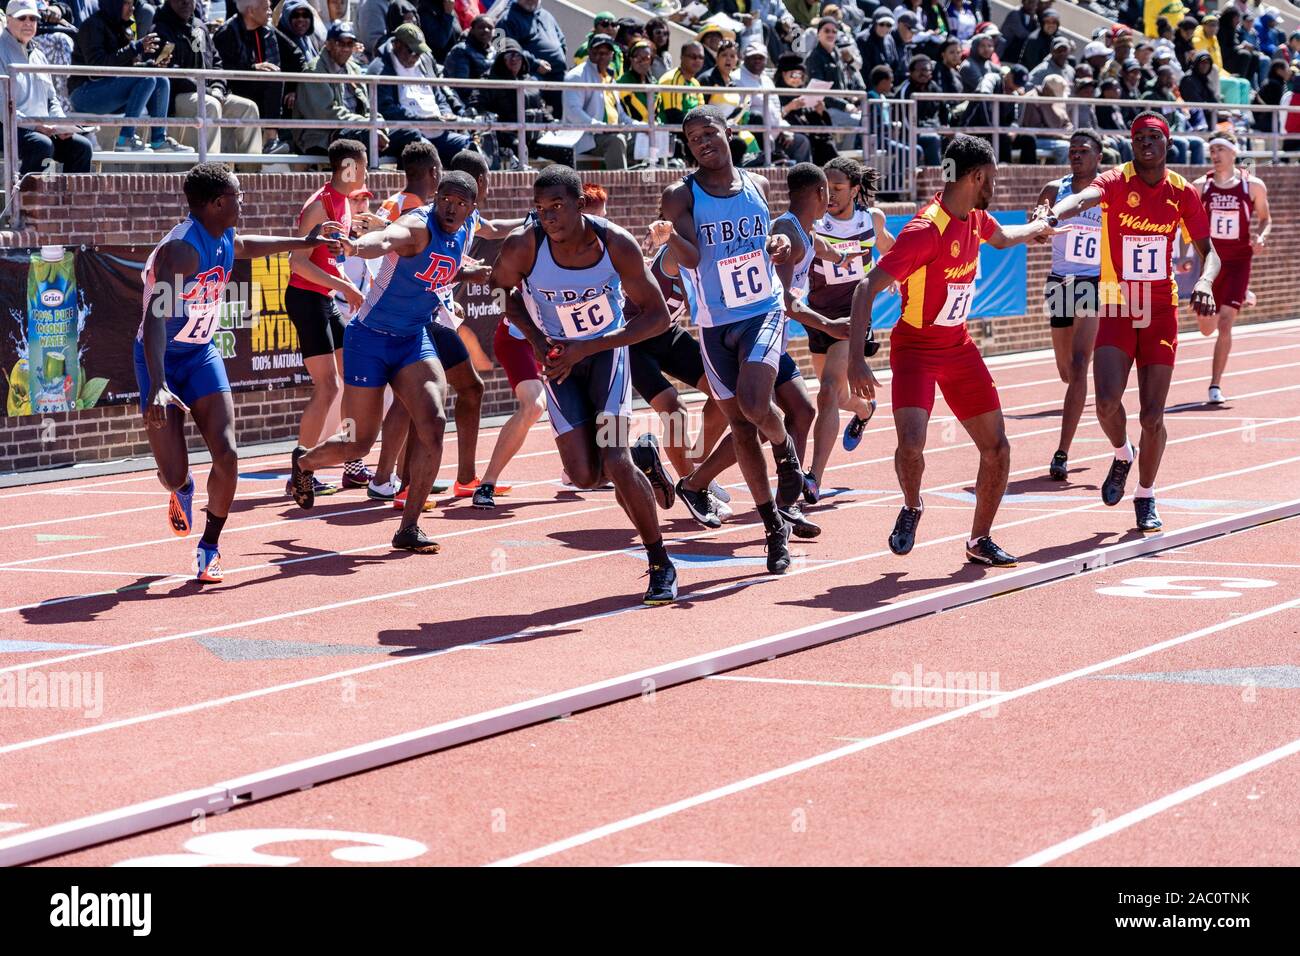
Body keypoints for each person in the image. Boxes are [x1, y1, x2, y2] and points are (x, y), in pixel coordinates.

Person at [848, 134, 1053, 566]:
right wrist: (855, 361)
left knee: (997, 447)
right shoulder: (926, 231)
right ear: (977, 176)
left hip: (958, 347)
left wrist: (1037, 229)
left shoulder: (975, 218)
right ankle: (912, 504)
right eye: (992, 179)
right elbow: (866, 287)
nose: (994, 186)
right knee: (912, 445)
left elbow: (1001, 238)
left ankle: (979, 539)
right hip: (916, 349)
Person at [139, 163, 341, 581]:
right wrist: (158, 384)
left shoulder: (223, 234)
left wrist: (303, 240)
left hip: (201, 356)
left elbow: (246, 244)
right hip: (160, 360)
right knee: (173, 473)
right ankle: (182, 487)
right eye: (237, 196)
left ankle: (209, 546)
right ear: (216, 203)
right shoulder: (182, 251)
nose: (242, 202)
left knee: (228, 453)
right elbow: (156, 319)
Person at [490, 165, 679, 605]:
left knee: (613, 458)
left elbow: (657, 317)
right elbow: (499, 291)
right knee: (582, 474)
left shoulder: (615, 244)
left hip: (606, 359)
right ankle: (644, 457)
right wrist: (536, 340)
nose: (549, 217)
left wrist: (591, 346)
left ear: (580, 204)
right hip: (559, 363)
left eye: (557, 206)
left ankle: (659, 562)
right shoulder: (524, 244)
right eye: (540, 209)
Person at [1039, 111, 1221, 534]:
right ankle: (1123, 454)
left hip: (1159, 310)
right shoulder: (1115, 181)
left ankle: (1146, 494)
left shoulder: (1182, 192)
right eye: (1138, 137)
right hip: (1117, 304)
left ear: (1167, 144)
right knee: (1104, 402)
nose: (1144, 143)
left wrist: (1207, 281)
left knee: (1152, 415)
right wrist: (1055, 215)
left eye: (1153, 137)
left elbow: (1209, 250)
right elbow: (1080, 199)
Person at [291, 171, 482, 552]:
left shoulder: (467, 225)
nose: (451, 208)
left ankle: (408, 527)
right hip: (370, 339)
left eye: (461, 204)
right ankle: (304, 464)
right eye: (445, 198)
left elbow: (456, 256)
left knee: (434, 422)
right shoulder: (417, 226)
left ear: (471, 209)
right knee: (358, 443)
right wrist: (356, 246)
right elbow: (386, 238)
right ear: (436, 195)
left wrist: (471, 269)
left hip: (413, 338)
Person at [660, 106, 803, 575]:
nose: (702, 141)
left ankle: (785, 452)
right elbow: (694, 254)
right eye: (693, 137)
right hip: (714, 322)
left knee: (755, 404)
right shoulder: (680, 195)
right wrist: (668, 239)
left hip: (762, 309)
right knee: (741, 427)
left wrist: (778, 245)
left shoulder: (758, 184)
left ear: (727, 133)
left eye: (709, 132)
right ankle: (773, 531)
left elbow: (772, 243)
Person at [285, 138, 370, 497]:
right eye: (363, 167)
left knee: (353, 378)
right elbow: (297, 262)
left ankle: (351, 462)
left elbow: (330, 261)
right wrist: (343, 287)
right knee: (329, 386)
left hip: (324, 297)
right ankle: (300, 468)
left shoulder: (343, 204)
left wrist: (353, 289)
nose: (366, 174)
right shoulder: (319, 206)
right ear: (349, 167)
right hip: (306, 298)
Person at [804, 155, 893, 498]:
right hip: (819, 316)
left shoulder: (871, 219)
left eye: (839, 188)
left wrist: (897, 274)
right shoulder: (813, 222)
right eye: (826, 188)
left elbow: (888, 246)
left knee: (826, 391)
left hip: (854, 317)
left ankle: (813, 477)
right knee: (838, 397)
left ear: (855, 190)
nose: (831, 195)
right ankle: (865, 409)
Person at [1033, 129, 1104, 482]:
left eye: (1084, 151)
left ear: (1098, 157)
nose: (1076, 155)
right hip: (1060, 282)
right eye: (1072, 150)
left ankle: (1062, 452)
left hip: (1092, 283)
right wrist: (1041, 229)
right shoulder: (1054, 189)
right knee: (1065, 370)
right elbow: (1037, 229)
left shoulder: (1107, 193)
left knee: (1079, 367)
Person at [1193, 130, 1270, 405]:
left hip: (1238, 260)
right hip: (1211, 263)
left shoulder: (1253, 186)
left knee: (1225, 324)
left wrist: (1260, 236)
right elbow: (1185, 221)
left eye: (1220, 150)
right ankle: (1242, 294)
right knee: (1205, 327)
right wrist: (1182, 255)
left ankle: (1215, 385)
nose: (1215, 156)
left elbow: (1265, 218)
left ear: (1234, 153)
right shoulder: (1201, 186)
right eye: (1211, 150)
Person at [68, 0, 189, 152]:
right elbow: (97, 68)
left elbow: (127, 70)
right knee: (147, 78)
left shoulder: (124, 26)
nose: (132, 9)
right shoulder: (92, 25)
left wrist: (152, 65)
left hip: (109, 92)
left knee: (161, 79)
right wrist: (136, 47)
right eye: (126, 3)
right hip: (84, 95)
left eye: (133, 4)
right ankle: (125, 139)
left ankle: (159, 140)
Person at [153, 0, 262, 155]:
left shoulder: (199, 26)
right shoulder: (160, 29)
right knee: (210, 106)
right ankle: (209, 171)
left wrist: (218, 87)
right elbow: (168, 72)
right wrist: (206, 90)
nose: (185, 2)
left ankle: (252, 172)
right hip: (176, 96)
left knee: (248, 108)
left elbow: (217, 62)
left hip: (208, 91)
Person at [2, 0, 93, 174]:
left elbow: (52, 99)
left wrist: (60, 123)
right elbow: (1, 106)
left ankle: (70, 201)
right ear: (8, 19)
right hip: (7, 126)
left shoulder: (38, 55)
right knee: (42, 145)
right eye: (22, 18)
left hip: (38, 128)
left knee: (82, 148)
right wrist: (34, 125)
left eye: (33, 19)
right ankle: (25, 199)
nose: (28, 23)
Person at [370, 22, 473, 166]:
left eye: (420, 52)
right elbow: (386, 109)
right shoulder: (379, 69)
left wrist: (446, 114)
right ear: (397, 45)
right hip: (409, 134)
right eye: (412, 51)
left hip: (439, 131)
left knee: (471, 152)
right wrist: (422, 120)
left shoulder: (425, 60)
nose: (416, 56)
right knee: (427, 152)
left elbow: (439, 96)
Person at [214, 0, 305, 156]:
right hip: (234, 88)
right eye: (266, 8)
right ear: (250, 11)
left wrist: (295, 89)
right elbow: (220, 69)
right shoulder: (227, 32)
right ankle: (270, 139)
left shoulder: (268, 29)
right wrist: (253, 68)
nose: (270, 12)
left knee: (275, 76)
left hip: (265, 94)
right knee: (271, 76)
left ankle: (273, 139)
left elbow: (298, 58)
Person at [562, 32, 630, 170]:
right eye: (597, 52)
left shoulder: (610, 78)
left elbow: (621, 115)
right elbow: (573, 112)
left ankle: (648, 184)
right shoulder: (576, 75)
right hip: (587, 137)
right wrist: (600, 127)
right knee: (616, 141)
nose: (601, 56)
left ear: (612, 55)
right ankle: (622, 187)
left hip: (612, 131)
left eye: (606, 53)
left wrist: (642, 126)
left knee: (647, 137)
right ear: (590, 52)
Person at [498, 0, 564, 114]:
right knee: (531, 100)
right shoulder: (507, 19)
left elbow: (561, 39)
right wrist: (535, 63)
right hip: (531, 73)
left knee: (572, 98)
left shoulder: (546, 15)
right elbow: (503, 47)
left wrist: (560, 55)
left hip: (558, 73)